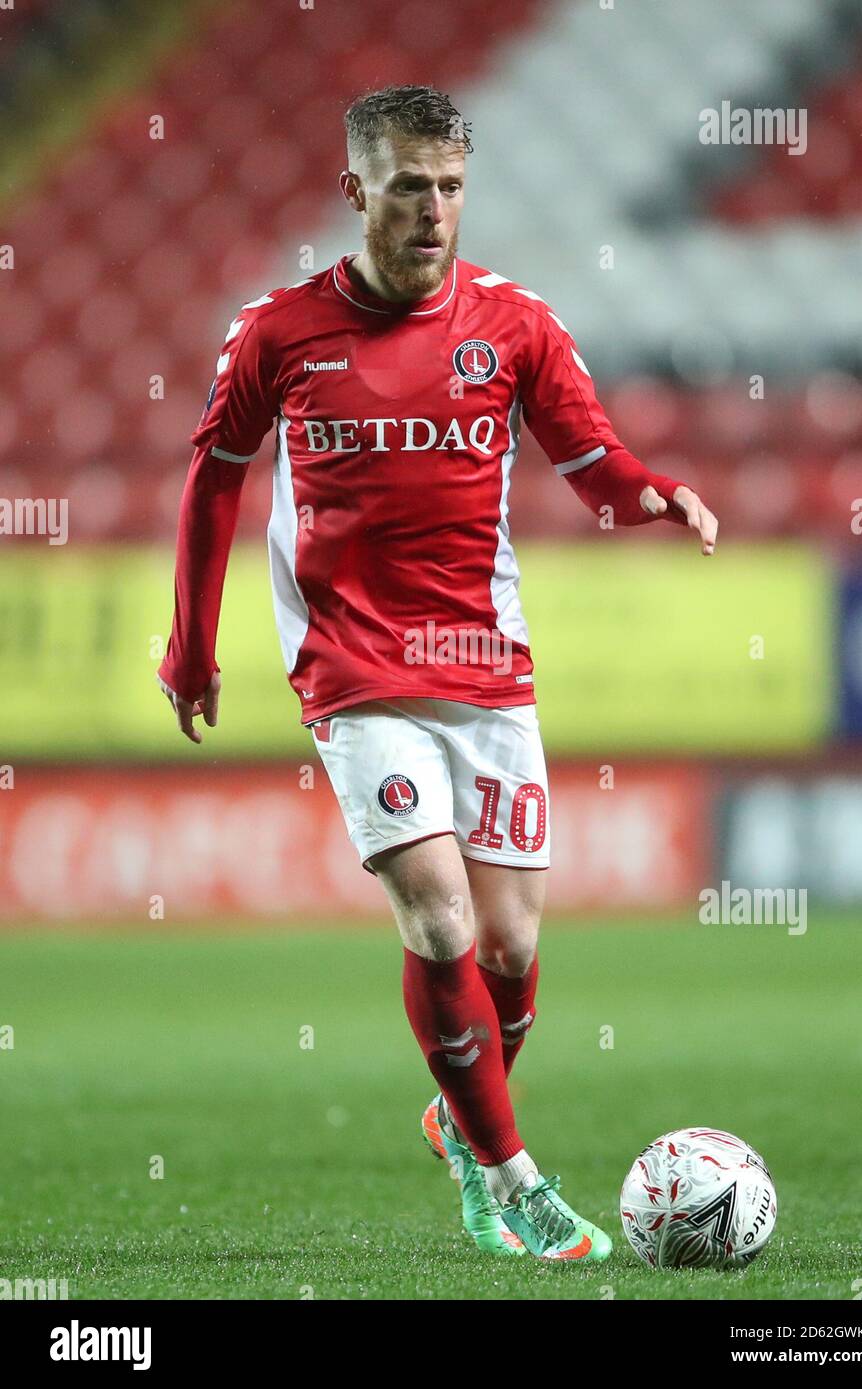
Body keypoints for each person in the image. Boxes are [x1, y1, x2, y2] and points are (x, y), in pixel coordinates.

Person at [158, 84, 718, 1261]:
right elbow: (215, 475)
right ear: (357, 189)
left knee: (511, 950)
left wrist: (653, 495)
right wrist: (192, 642)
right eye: (408, 187)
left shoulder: (514, 325)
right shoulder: (277, 333)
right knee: (439, 910)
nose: (431, 210)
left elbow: (591, 458)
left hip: (484, 663)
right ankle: (511, 1178)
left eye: (449, 187)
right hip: (353, 667)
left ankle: (457, 1120)